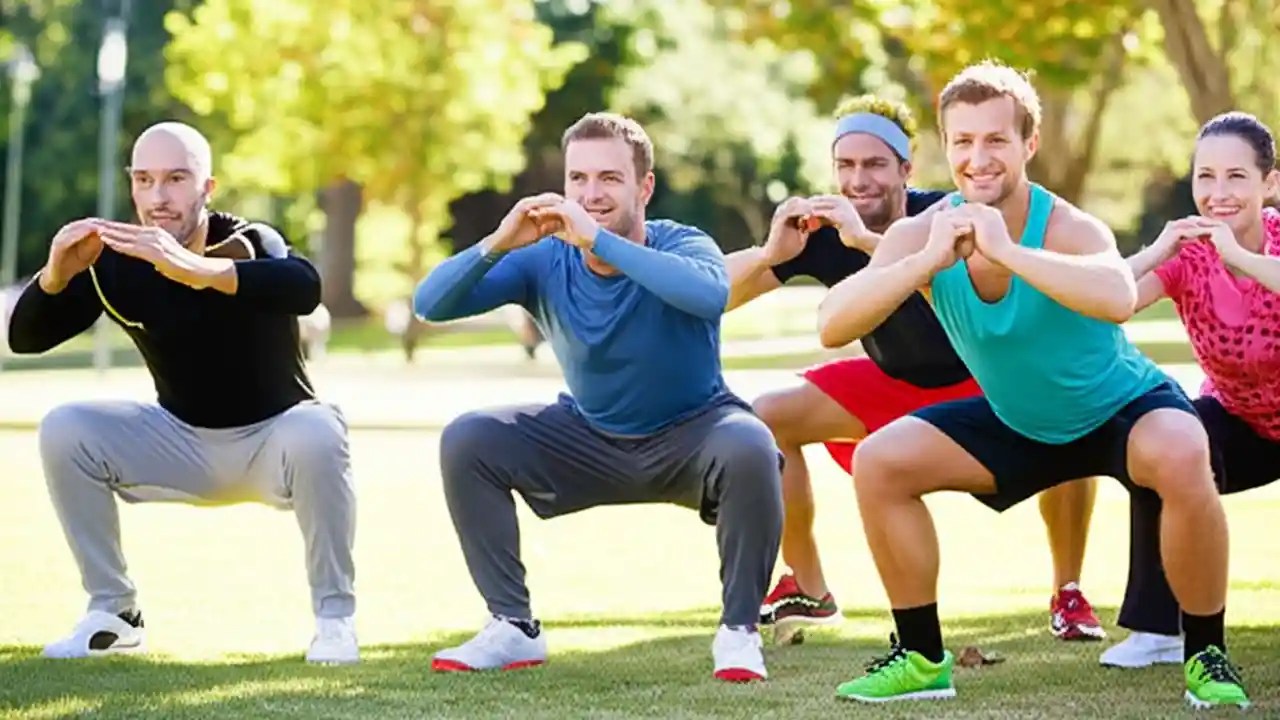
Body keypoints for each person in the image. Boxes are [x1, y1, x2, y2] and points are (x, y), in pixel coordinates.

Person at [816, 62, 1248, 708]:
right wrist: (927, 262)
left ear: (1029, 146)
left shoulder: (1071, 228)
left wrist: (1010, 253)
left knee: (1185, 447)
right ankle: (921, 658)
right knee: (880, 462)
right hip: (1018, 422)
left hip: (1119, 411)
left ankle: (1206, 655)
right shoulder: (918, 236)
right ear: (945, 147)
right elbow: (832, 324)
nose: (978, 158)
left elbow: (1118, 295)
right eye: (962, 142)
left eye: (996, 140)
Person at [413, 112, 782, 682]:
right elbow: (430, 304)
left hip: (695, 434)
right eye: (577, 179)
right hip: (588, 438)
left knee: (752, 443)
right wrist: (498, 241)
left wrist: (599, 240)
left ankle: (739, 633)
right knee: (470, 437)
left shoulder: (686, 244)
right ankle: (513, 627)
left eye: (609, 178)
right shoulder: (542, 259)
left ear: (645, 186)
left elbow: (709, 295)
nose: (591, 193)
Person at [724, 95, 1102, 645]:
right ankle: (808, 587)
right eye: (846, 165)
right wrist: (766, 252)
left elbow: (957, 276)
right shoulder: (821, 229)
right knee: (767, 416)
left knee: (1065, 412)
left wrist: (862, 240)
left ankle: (1068, 590)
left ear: (906, 169)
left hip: (983, 379)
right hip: (891, 382)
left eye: (875, 164)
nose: (859, 180)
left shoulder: (948, 210)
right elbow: (715, 295)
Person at [7, 122, 358, 665]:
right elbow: (25, 339)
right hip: (180, 442)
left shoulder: (248, 240)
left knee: (320, 425)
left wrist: (192, 268)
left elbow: (303, 287)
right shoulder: (116, 261)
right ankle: (114, 614)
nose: (158, 197)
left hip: (275, 443)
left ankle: (335, 622)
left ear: (207, 188)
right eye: (144, 181)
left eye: (175, 179)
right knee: (65, 426)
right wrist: (54, 276)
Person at [1104, 111, 1280, 670]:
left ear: (1269, 184)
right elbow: (1108, 299)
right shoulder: (1188, 253)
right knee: (1160, 444)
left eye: (1236, 177)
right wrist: (1157, 251)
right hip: (1242, 421)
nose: (1218, 193)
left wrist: (1242, 258)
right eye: (1206, 177)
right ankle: (1159, 629)